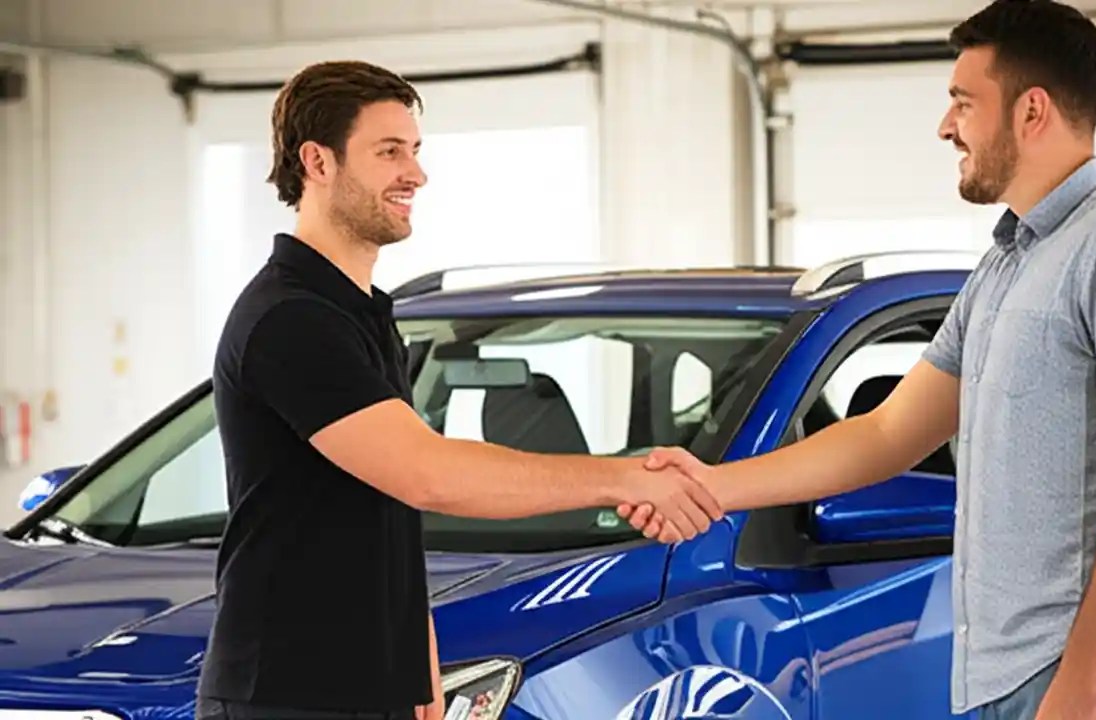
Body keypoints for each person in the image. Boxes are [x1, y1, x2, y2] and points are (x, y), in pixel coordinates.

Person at [621, 1, 1096, 718]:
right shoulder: (1005, 267)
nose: (945, 126)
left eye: (963, 102)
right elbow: (886, 434)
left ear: (1032, 111)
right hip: (1008, 669)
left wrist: (1091, 663)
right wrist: (714, 486)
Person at [194, 60, 722, 720]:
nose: (414, 173)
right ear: (317, 162)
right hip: (289, 695)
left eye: (414, 151)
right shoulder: (291, 320)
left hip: (368, 690)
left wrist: (417, 661)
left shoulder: (359, 312)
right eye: (389, 152)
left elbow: (383, 510)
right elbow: (428, 475)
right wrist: (624, 479)